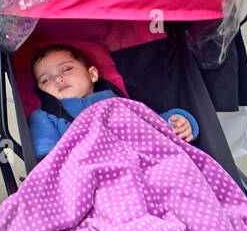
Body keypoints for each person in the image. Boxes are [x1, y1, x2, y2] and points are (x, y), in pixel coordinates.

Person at [28, 45, 194, 160]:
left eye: (66, 69)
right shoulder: (45, 117)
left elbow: (152, 121)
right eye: (46, 79)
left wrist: (177, 121)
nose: (58, 79)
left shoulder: (117, 101)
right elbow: (46, 158)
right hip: (90, 172)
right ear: (41, 91)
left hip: (143, 159)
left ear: (92, 74)